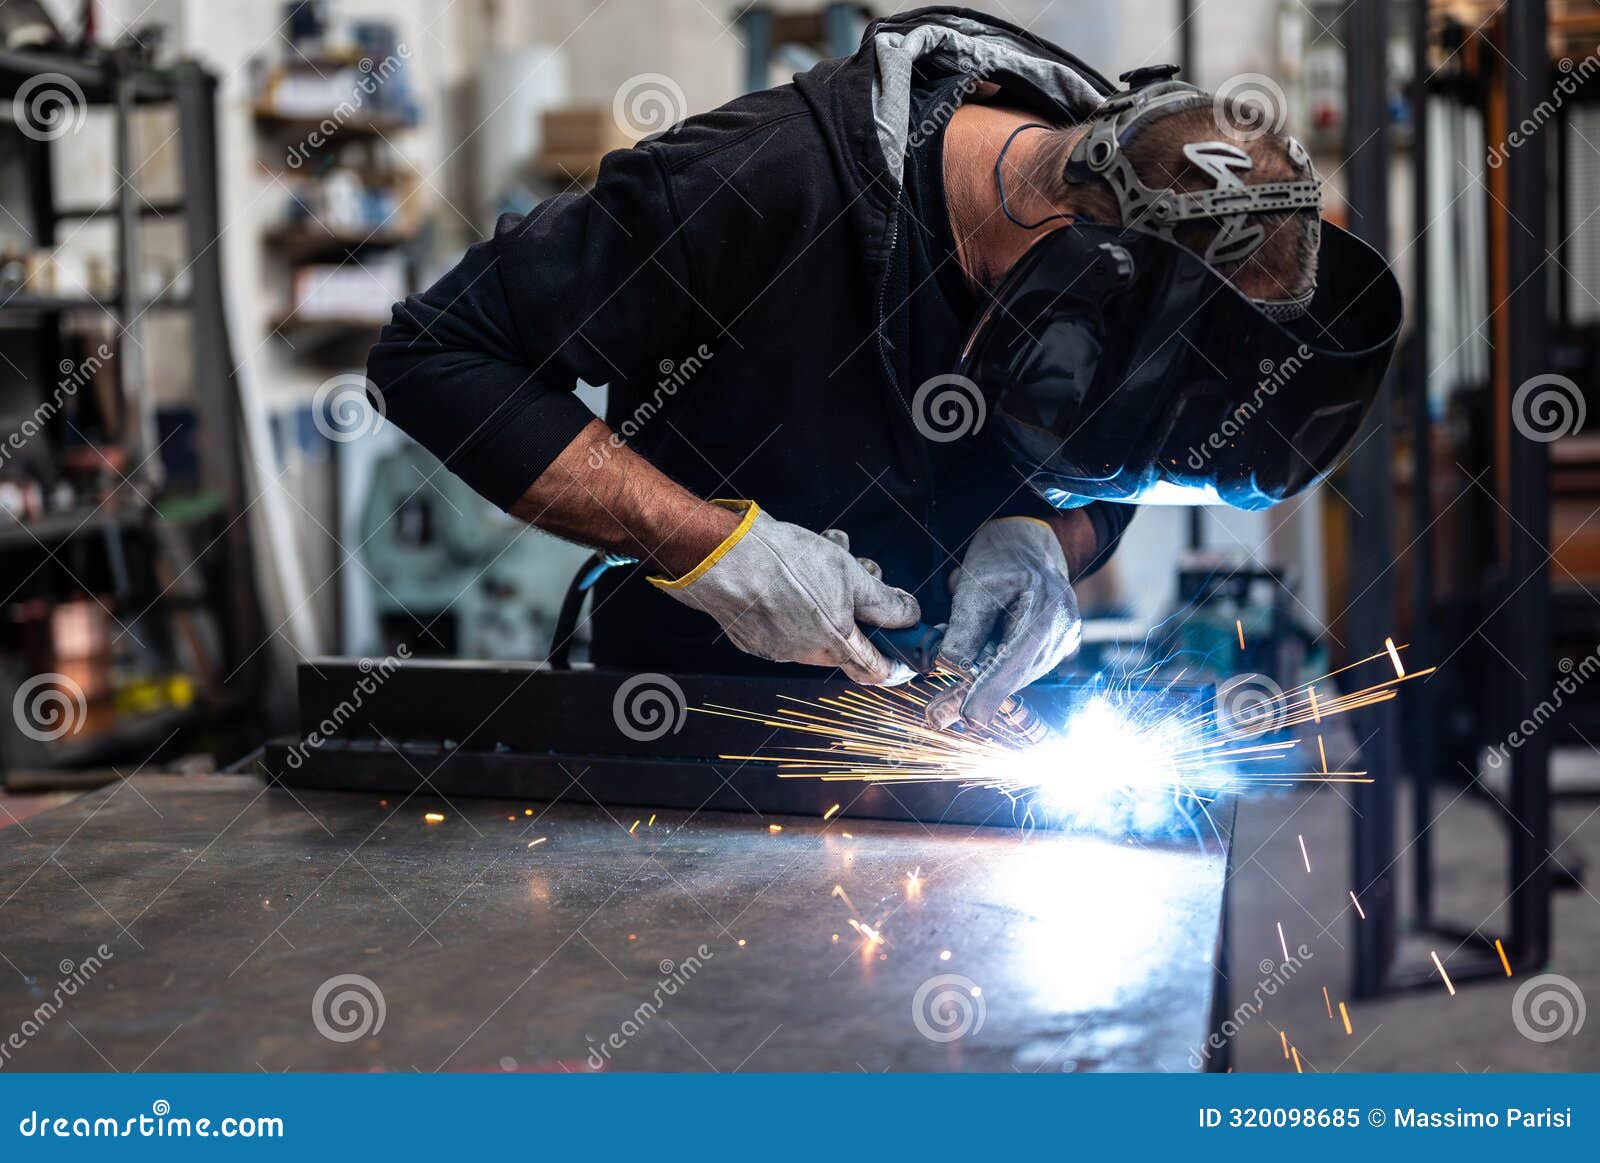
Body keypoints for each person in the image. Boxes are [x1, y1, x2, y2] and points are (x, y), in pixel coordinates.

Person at [366, 8, 1399, 731]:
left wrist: (1046, 536)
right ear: (1069, 246)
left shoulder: (1127, 289)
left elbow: (1123, 451)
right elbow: (436, 351)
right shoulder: (760, 183)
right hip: (705, 733)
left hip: (973, 744)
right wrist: (710, 547)